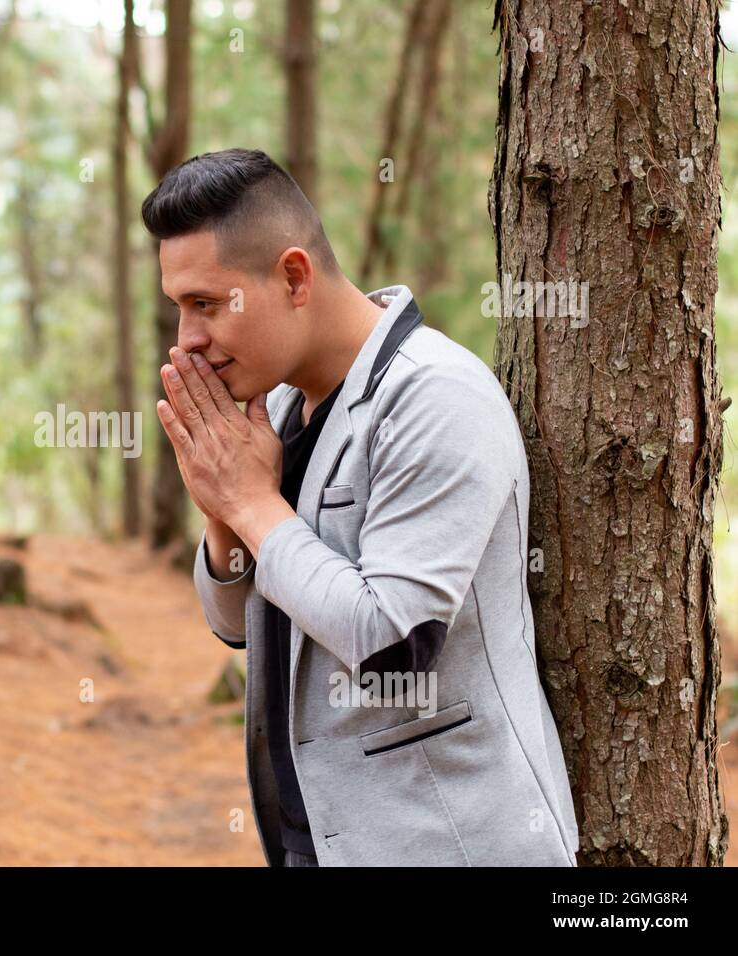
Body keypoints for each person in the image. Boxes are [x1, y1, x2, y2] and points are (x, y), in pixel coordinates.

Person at [144, 147, 579, 866]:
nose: (188, 338)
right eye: (180, 308)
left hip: (452, 845)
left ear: (292, 277)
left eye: (207, 305)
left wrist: (251, 503)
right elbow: (239, 627)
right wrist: (222, 512)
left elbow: (392, 648)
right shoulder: (278, 406)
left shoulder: (436, 396)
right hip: (317, 842)